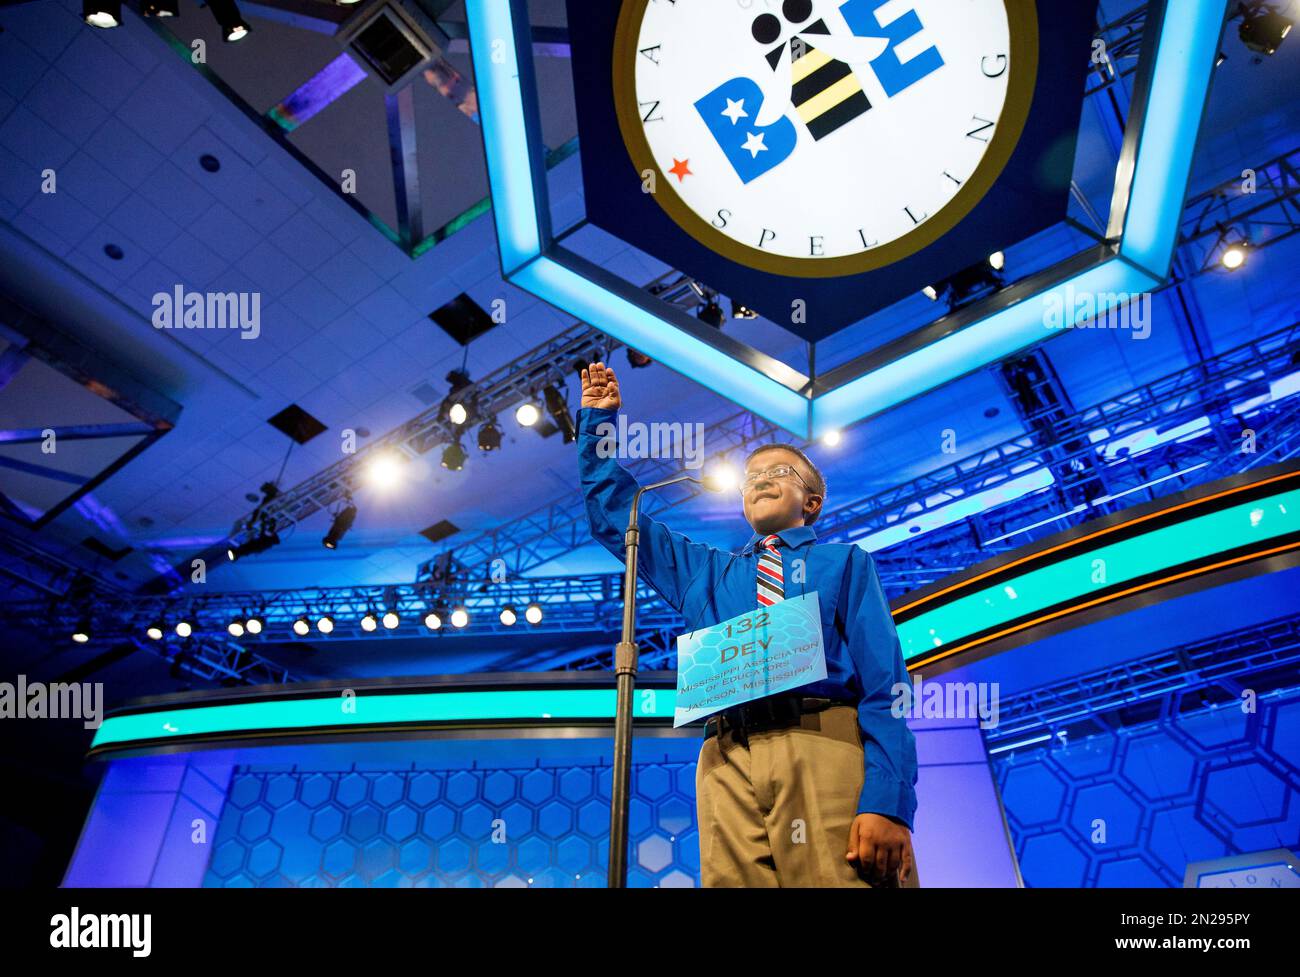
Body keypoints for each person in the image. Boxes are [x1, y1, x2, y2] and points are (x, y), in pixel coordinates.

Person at [578, 361, 919, 888]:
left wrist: (888, 801)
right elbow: (617, 518)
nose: (760, 478)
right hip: (725, 756)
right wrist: (599, 425)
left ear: (812, 502)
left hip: (822, 744)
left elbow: (886, 685)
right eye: (750, 477)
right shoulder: (708, 575)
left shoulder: (844, 562)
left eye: (779, 472)